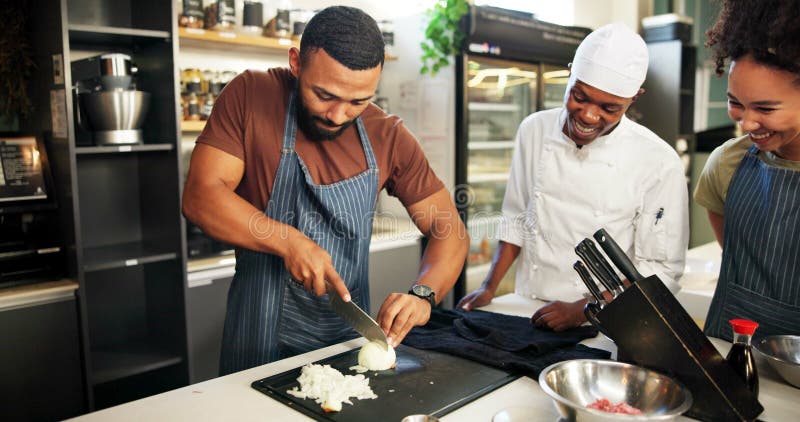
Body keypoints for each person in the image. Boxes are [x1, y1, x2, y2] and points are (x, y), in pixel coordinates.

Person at [182, 6, 468, 374]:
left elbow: (450, 229)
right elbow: (201, 196)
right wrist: (288, 241)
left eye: (358, 102)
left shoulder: (388, 136)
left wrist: (424, 294)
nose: (337, 115)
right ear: (296, 63)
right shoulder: (252, 96)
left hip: (347, 342)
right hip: (256, 342)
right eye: (325, 95)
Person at [457, 23, 689, 330]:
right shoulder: (534, 130)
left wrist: (584, 310)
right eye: (580, 96)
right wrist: (489, 287)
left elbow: (661, 270)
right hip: (530, 306)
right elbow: (516, 216)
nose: (589, 116)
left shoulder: (658, 161)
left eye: (609, 108)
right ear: (569, 75)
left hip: (610, 316)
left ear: (635, 98)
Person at [694, 0, 800, 340]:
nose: (747, 123)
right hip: (732, 351)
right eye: (735, 103)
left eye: (765, 108)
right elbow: (737, 258)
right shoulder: (726, 164)